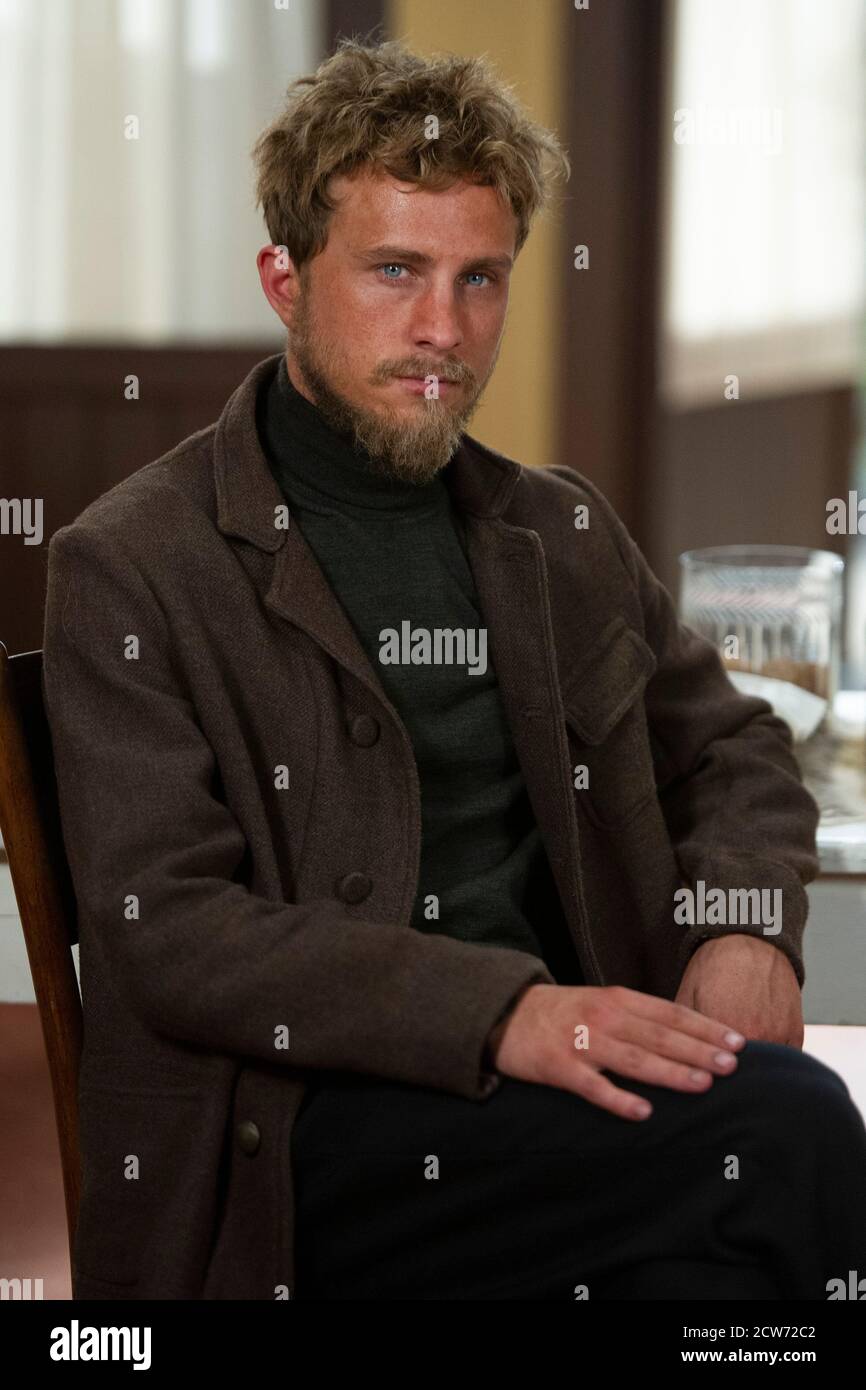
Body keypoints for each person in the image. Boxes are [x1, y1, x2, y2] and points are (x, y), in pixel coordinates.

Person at [43, 38, 866, 1302]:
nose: (442, 329)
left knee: (720, 1256)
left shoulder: (557, 529)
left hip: (548, 1108)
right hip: (298, 1143)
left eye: (479, 278)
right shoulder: (131, 564)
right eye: (394, 271)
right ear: (283, 278)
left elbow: (733, 743)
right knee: (787, 1140)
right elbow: (173, 933)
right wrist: (504, 1012)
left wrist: (749, 920)